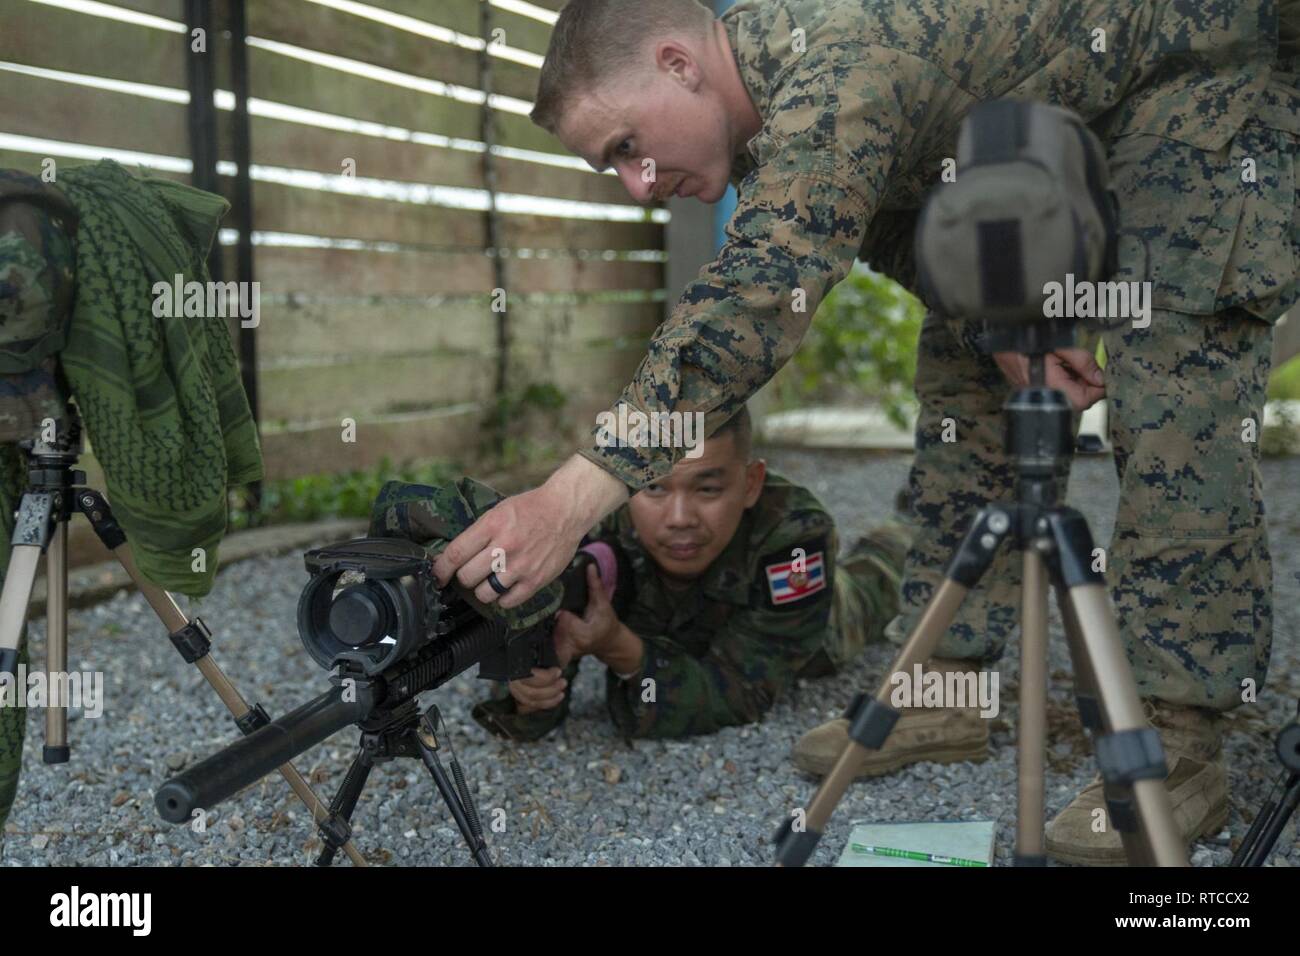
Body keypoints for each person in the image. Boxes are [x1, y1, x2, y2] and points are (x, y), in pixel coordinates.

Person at [433, 0, 1298, 864]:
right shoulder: (783, 113)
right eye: (609, 170)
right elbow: (908, 225)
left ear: (678, 63)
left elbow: (769, 289)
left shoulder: (837, 58)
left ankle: (1175, 738)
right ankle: (947, 682)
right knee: (967, 357)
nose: (637, 183)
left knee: (1173, 380)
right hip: (1057, 129)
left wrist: (568, 499)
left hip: (1205, 73)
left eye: (625, 146)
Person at [472, 405, 911, 740]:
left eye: (707, 489)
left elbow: (744, 692)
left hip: (826, 628)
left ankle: (905, 529)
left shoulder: (792, 533)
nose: (679, 517)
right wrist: (533, 687)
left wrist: (619, 648)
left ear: (751, 483)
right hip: (673, 640)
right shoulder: (597, 528)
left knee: (886, 573)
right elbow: (523, 699)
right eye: (655, 487)